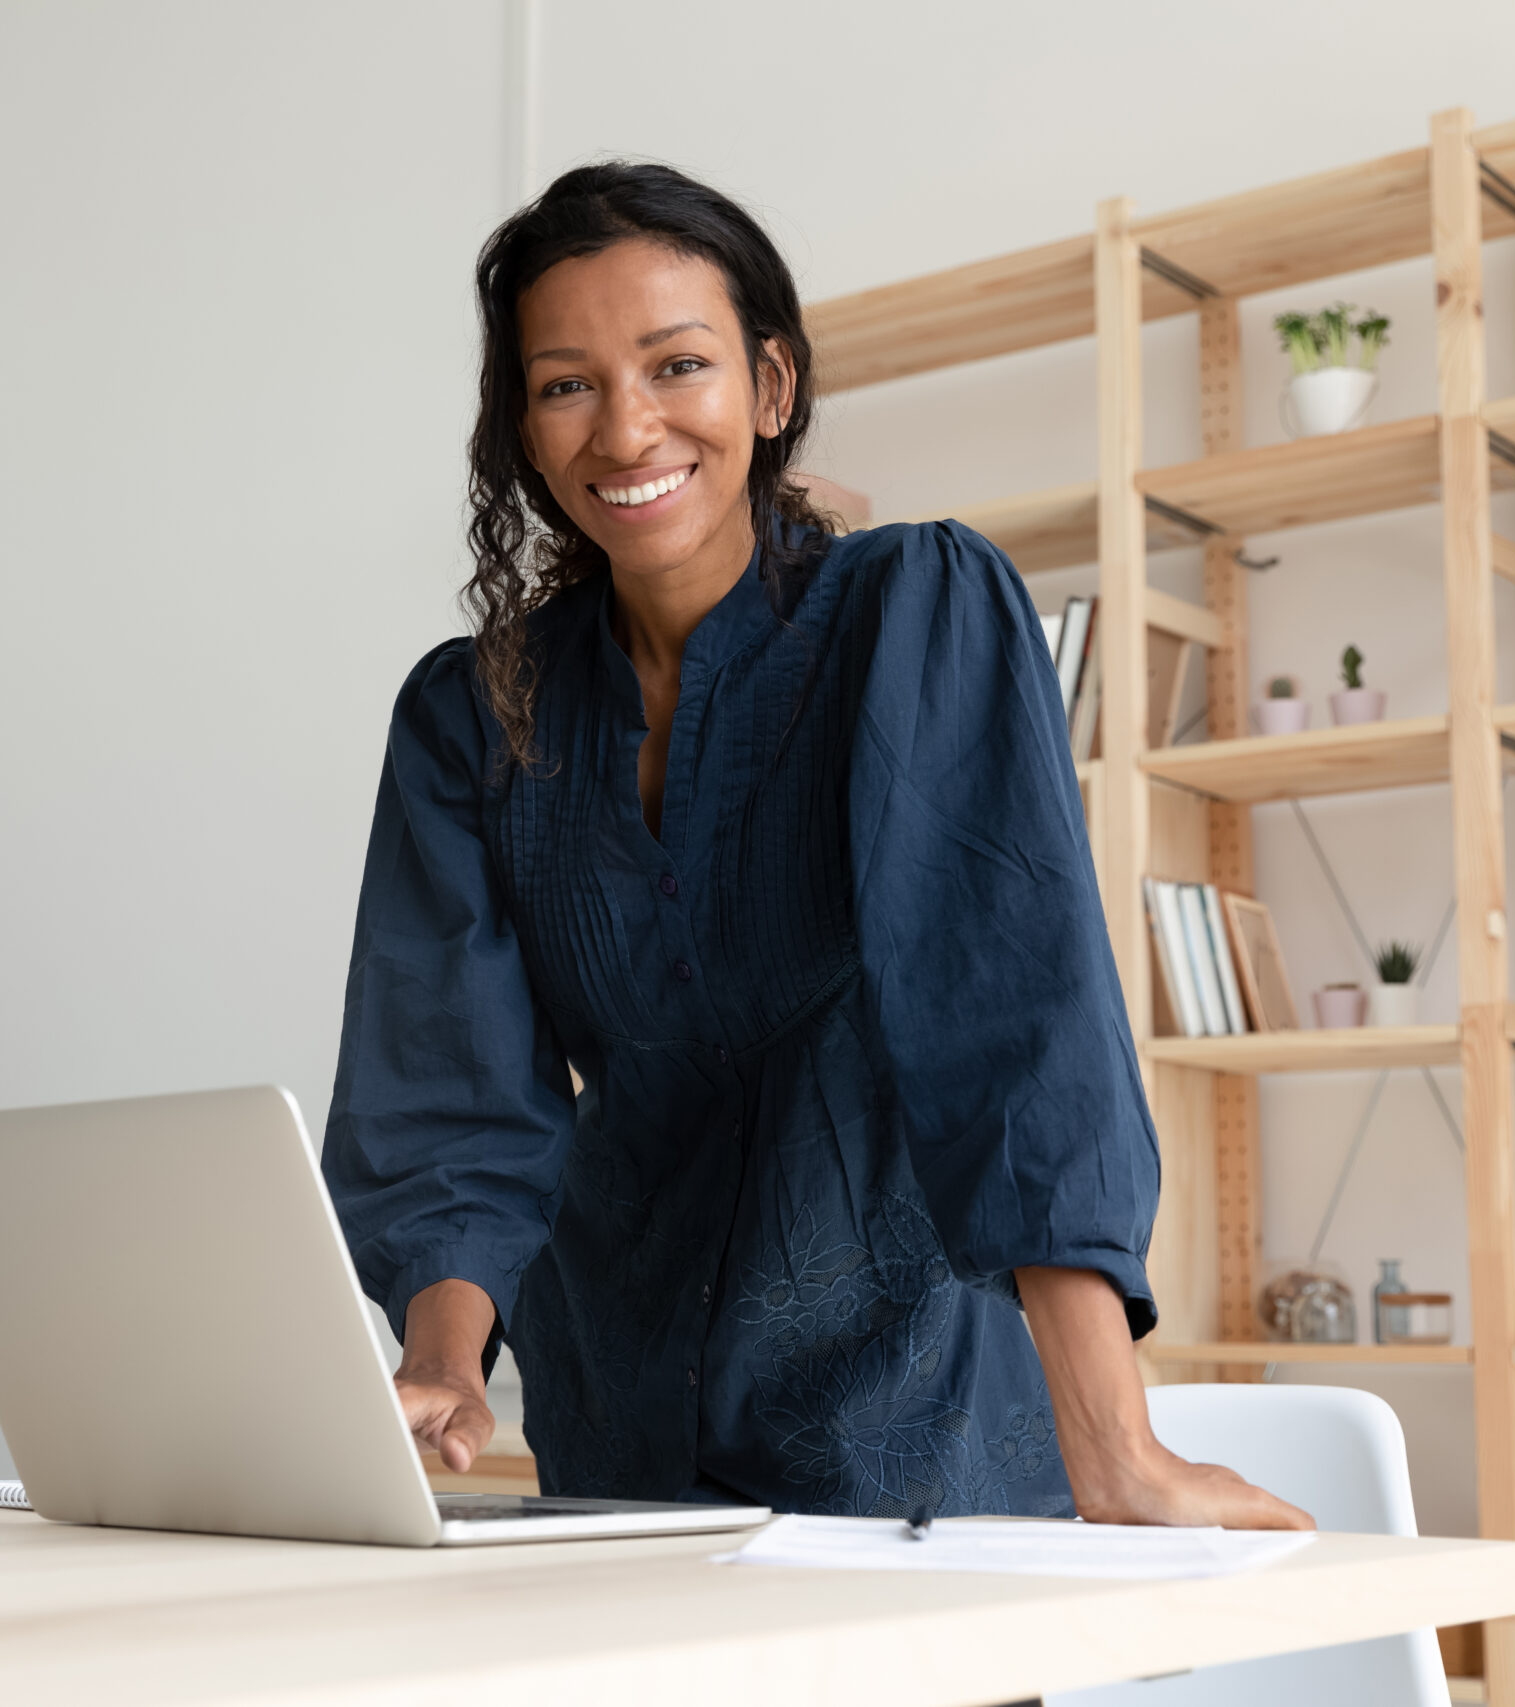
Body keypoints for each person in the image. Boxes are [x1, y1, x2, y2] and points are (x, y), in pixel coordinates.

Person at [322, 161, 1307, 1530]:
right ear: (522, 430)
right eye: (566, 385)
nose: (626, 427)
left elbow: (1014, 1027)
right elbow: (450, 1086)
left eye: (678, 364)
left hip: (915, 1428)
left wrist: (1117, 1452)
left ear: (770, 388)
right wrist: (438, 1368)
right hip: (620, 1424)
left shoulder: (913, 614)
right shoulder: (470, 713)